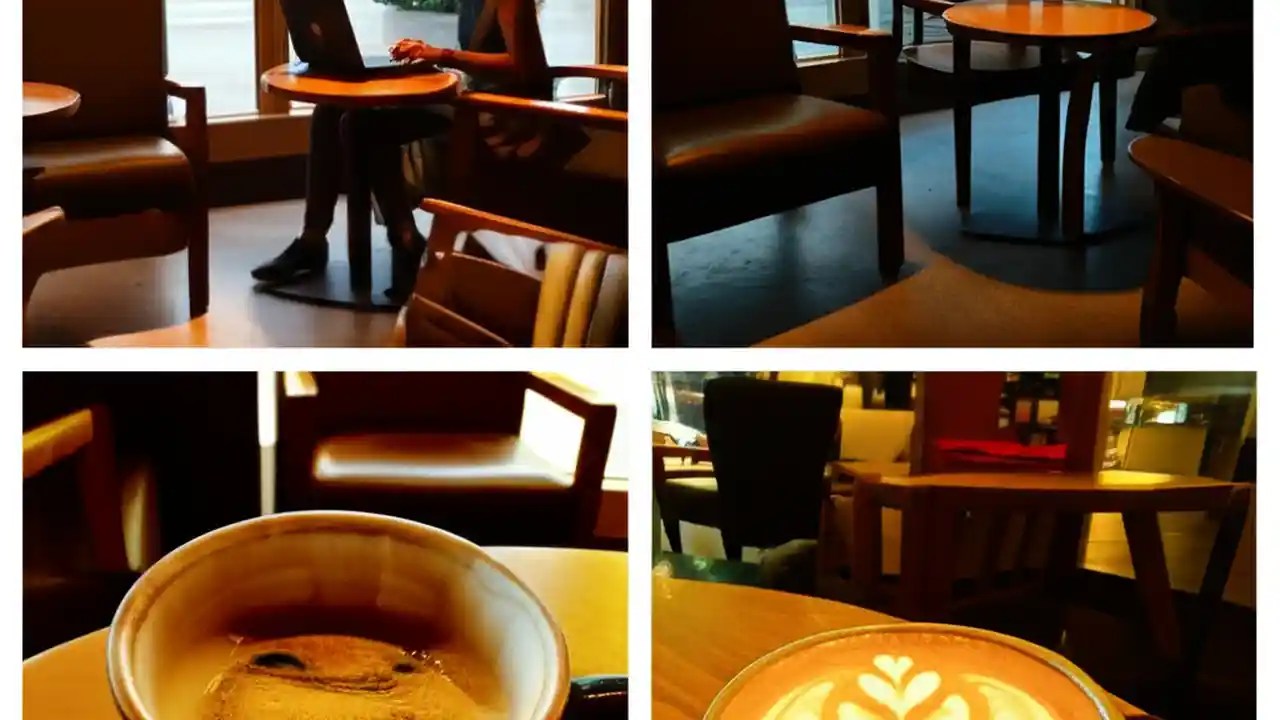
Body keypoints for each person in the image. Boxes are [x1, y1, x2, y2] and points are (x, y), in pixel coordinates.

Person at [251, 0, 550, 299]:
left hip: (501, 117)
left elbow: (524, 68)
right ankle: (313, 240)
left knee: (364, 123)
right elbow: (475, 58)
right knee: (329, 112)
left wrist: (443, 56)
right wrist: (427, 58)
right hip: (469, 101)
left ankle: (405, 239)